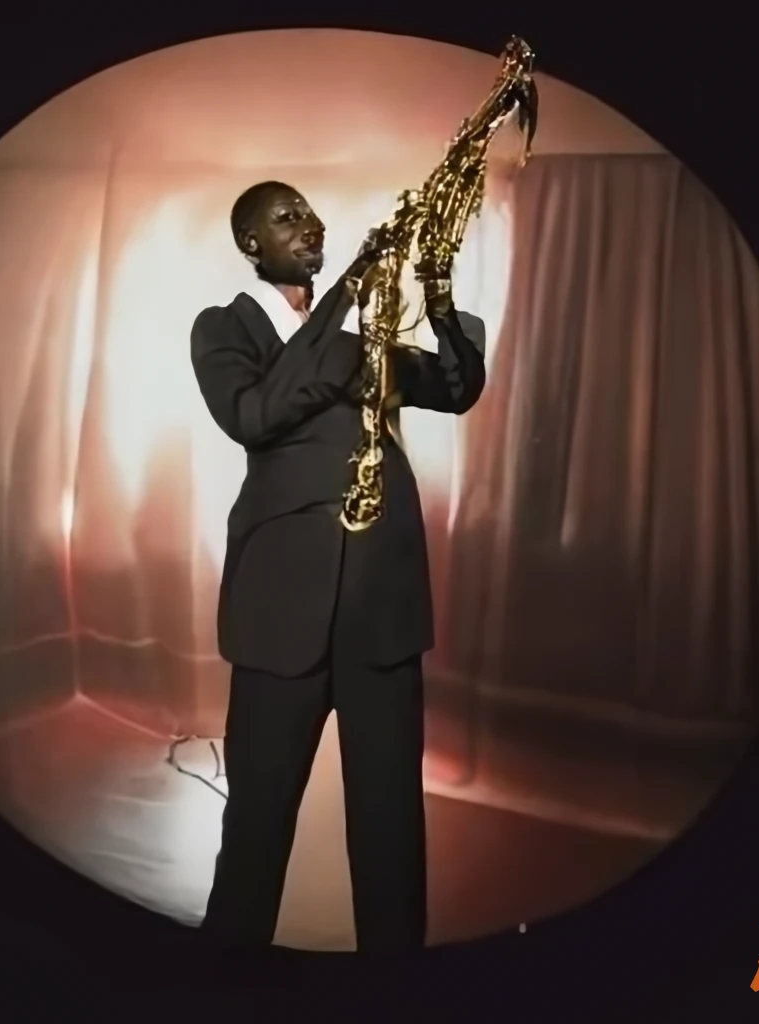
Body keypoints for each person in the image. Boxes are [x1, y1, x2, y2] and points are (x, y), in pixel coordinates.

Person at [190, 180, 486, 953]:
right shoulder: (225, 328)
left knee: (391, 834)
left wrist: (440, 293)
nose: (308, 224)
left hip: (381, 615)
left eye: (312, 213)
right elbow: (252, 414)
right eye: (286, 217)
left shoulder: (361, 344)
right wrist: (345, 293)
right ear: (251, 244)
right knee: (256, 829)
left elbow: (459, 388)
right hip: (278, 618)